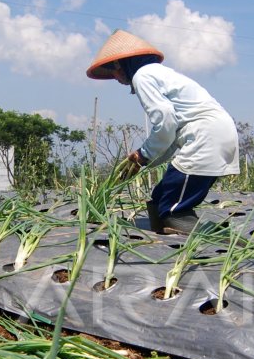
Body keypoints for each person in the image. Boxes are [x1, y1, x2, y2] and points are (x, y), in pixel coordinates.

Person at [86, 30, 239, 234]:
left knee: (173, 209)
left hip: (204, 137)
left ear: (120, 65)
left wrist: (143, 154)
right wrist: (145, 161)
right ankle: (164, 232)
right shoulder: (159, 74)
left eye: (112, 70)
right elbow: (171, 135)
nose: (114, 77)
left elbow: (166, 123)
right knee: (160, 198)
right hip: (216, 133)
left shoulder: (142, 76)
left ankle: (201, 234)